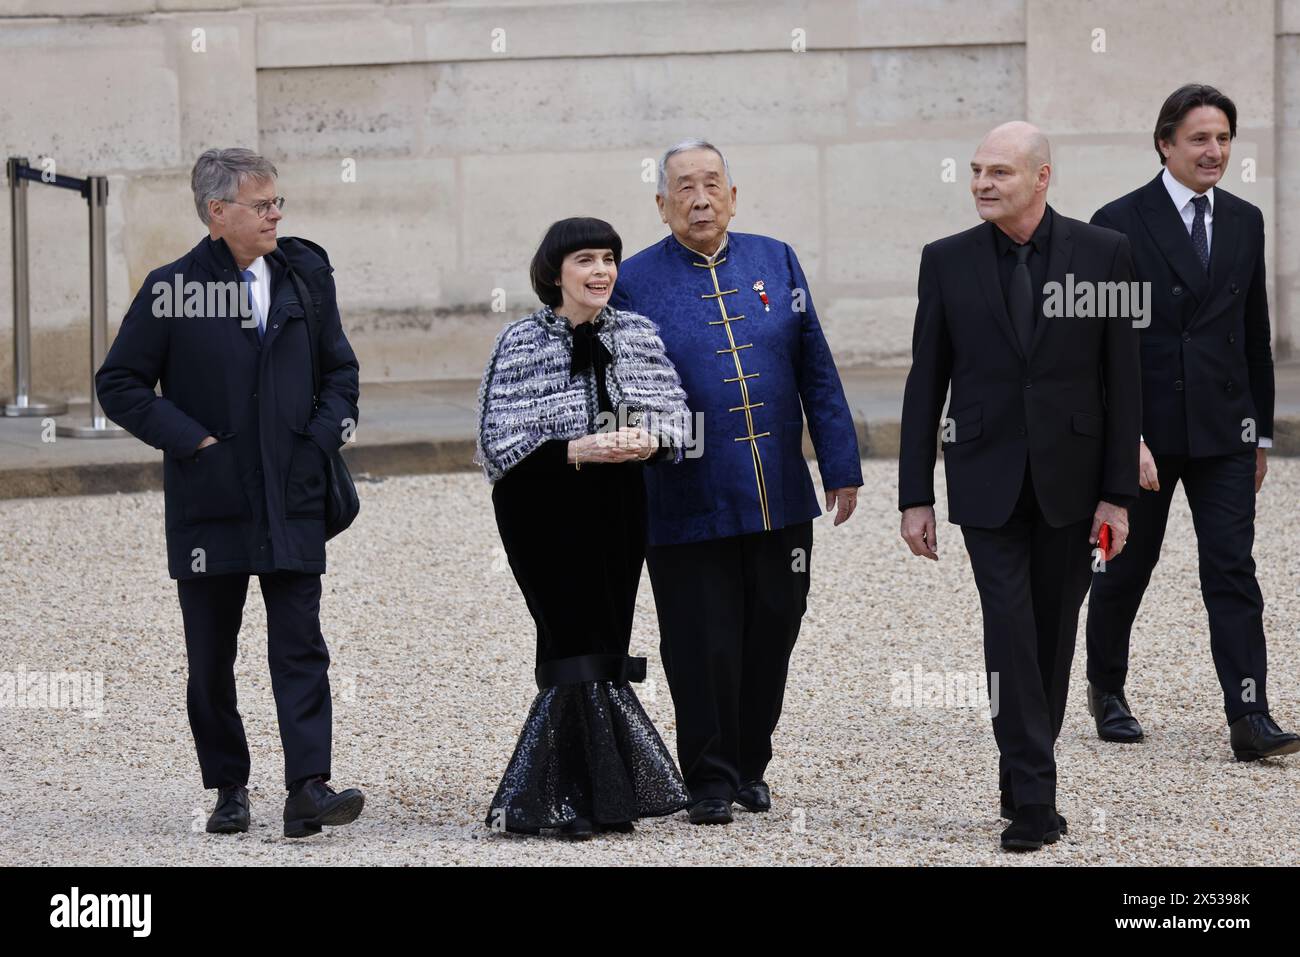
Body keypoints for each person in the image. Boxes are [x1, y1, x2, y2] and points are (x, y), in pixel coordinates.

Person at [96, 147, 364, 839]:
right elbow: (119, 383)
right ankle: (228, 787)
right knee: (212, 654)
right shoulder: (172, 286)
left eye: (278, 201)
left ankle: (309, 786)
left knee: (301, 643)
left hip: (295, 491)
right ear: (218, 213)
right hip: (210, 501)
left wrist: (322, 435)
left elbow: (340, 369)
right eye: (262, 204)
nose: (277, 213)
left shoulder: (305, 273)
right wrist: (195, 443)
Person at [898, 122, 1141, 851]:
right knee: (1008, 631)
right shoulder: (946, 261)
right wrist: (916, 493)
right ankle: (1033, 802)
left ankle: (1023, 777)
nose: (981, 183)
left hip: (1074, 482)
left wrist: (1117, 492)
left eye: (999, 171)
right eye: (975, 170)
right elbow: (924, 382)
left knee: (1052, 637)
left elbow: (1122, 380)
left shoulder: (1105, 255)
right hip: (986, 479)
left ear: (1041, 178)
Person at [609, 139, 862, 825]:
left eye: (712, 183)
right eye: (684, 188)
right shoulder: (633, 281)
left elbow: (815, 364)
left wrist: (839, 463)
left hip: (779, 495)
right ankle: (710, 777)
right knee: (700, 639)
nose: (700, 198)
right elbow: (621, 384)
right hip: (686, 497)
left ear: (733, 194)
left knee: (775, 625)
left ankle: (752, 761)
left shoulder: (775, 259)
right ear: (661, 205)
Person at [1084, 84, 1299, 761]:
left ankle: (1249, 714)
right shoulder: (1115, 221)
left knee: (1232, 568)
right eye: (1200, 138)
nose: (1215, 151)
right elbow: (1096, 344)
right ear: (1165, 143)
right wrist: (1125, 437)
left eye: (1224, 138)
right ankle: (1107, 690)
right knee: (1125, 566)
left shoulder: (1245, 219)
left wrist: (1258, 432)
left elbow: (1252, 331)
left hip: (1224, 432)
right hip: (1143, 430)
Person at [477, 217, 693, 836]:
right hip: (542, 510)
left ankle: (590, 793)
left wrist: (647, 440)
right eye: (585, 261)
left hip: (618, 507)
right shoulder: (520, 340)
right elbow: (500, 441)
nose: (600, 272)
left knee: (604, 635)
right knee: (567, 636)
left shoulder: (637, 334)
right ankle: (567, 796)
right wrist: (577, 448)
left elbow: (674, 421)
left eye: (608, 259)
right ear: (555, 273)